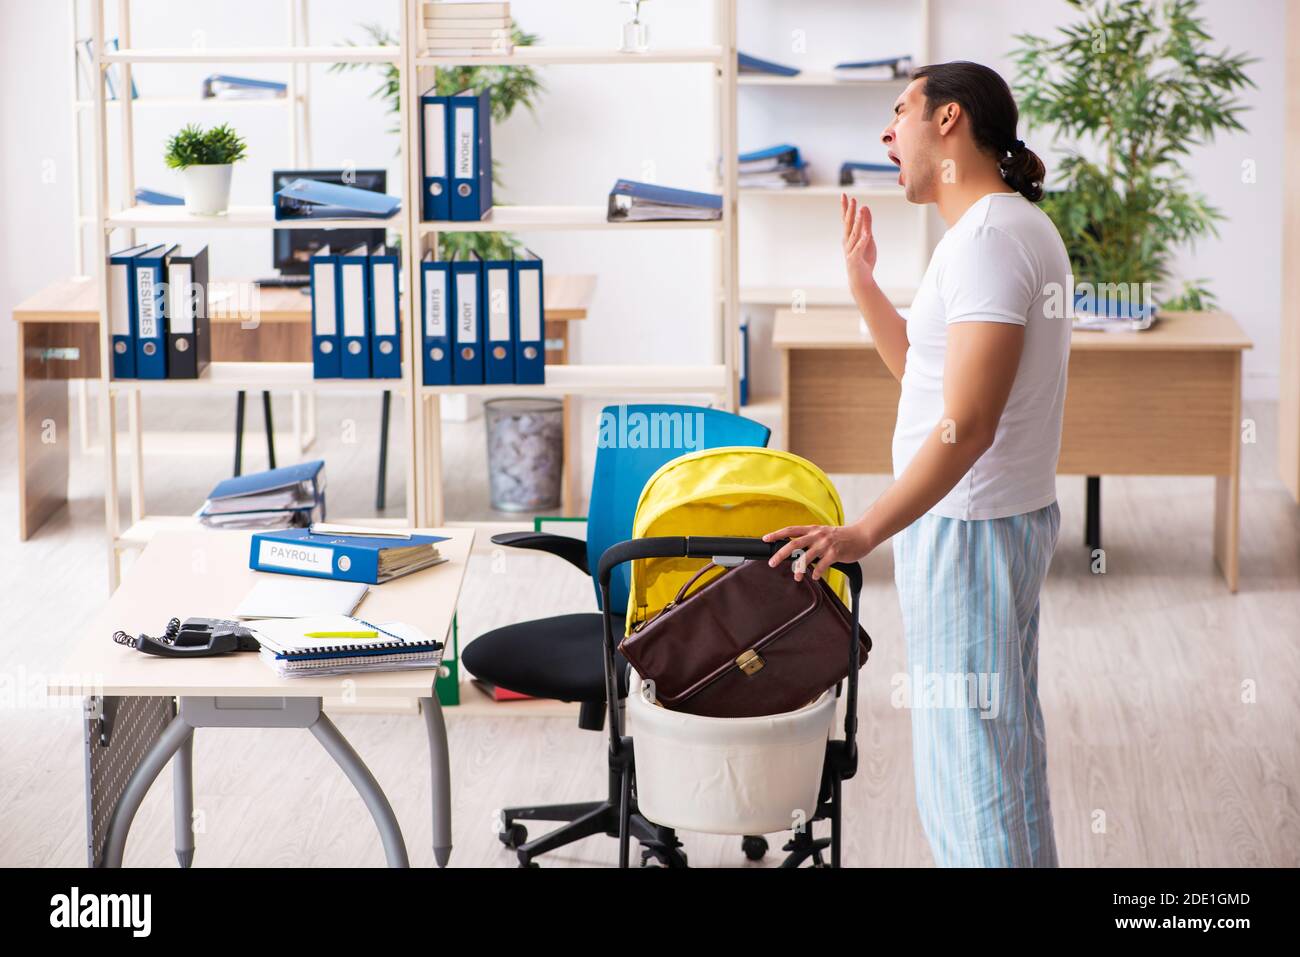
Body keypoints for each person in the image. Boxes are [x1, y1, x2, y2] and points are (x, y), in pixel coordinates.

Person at [764, 61, 1071, 867]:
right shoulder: (990, 233)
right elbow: (931, 382)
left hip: (969, 529)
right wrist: (862, 283)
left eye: (899, 110)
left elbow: (967, 426)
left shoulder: (993, 239)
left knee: (969, 769)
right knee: (992, 750)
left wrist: (864, 528)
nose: (885, 130)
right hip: (980, 522)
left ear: (949, 121)